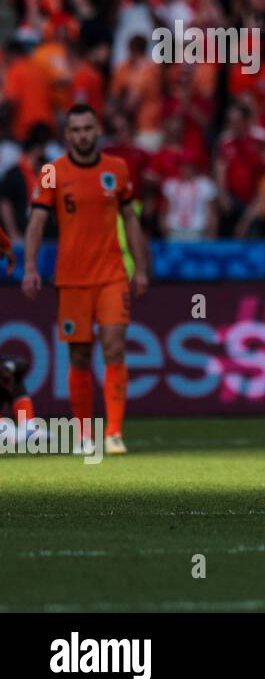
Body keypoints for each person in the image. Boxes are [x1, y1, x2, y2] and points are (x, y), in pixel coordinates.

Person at [22, 104, 151, 455]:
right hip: (72, 279)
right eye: (75, 130)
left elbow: (131, 219)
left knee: (115, 347)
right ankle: (83, 435)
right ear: (67, 135)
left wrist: (140, 267)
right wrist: (31, 267)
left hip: (112, 276)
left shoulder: (118, 169)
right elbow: (36, 222)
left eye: (88, 128)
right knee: (79, 356)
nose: (82, 135)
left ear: (97, 131)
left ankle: (113, 433)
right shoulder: (52, 171)